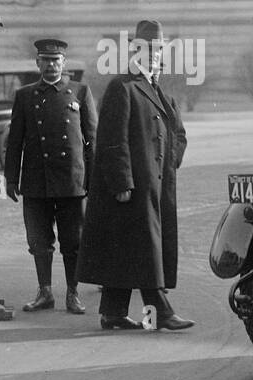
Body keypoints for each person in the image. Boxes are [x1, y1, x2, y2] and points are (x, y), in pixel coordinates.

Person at [76, 19, 193, 331]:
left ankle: (112, 313)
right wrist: (121, 182)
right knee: (145, 249)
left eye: (157, 52)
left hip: (155, 185)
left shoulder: (159, 92)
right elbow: (113, 140)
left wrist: (168, 163)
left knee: (127, 248)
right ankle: (161, 312)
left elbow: (179, 135)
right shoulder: (122, 87)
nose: (153, 57)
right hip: (132, 188)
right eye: (146, 51)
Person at [4, 38, 98, 314]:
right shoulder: (25, 95)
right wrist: (11, 179)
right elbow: (15, 141)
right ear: (37, 63)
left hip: (71, 182)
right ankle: (45, 292)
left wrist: (93, 180)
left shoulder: (80, 92)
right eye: (45, 60)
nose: (51, 65)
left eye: (55, 60)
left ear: (63, 63)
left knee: (73, 242)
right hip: (36, 182)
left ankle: (73, 292)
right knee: (39, 242)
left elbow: (92, 139)